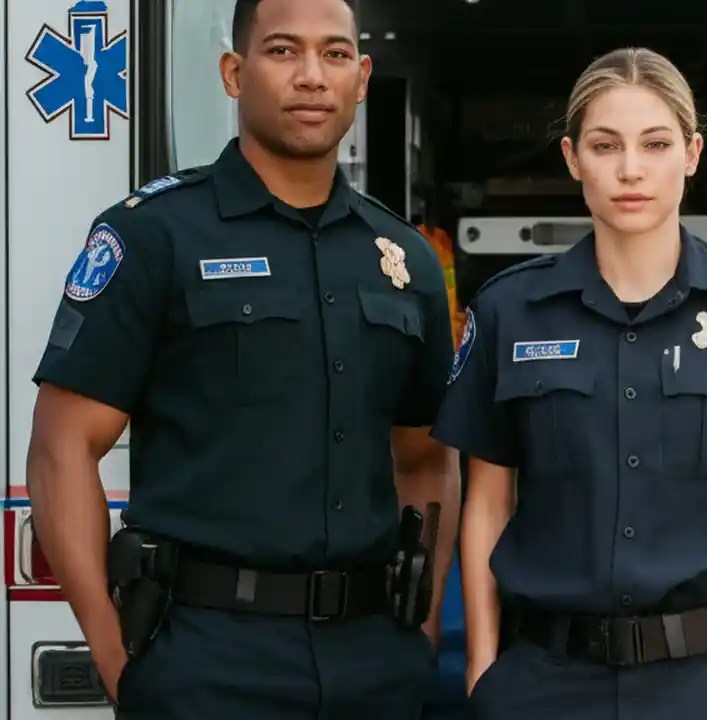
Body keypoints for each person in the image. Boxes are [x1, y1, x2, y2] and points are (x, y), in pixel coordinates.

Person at [25, 0, 460, 716]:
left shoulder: (403, 260)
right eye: (284, 51)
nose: (313, 77)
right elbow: (61, 447)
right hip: (206, 659)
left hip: (374, 663)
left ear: (362, 77)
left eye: (336, 54)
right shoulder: (156, 235)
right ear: (234, 72)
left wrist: (417, 626)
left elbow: (424, 458)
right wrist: (118, 662)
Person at [430, 47, 707, 720]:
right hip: (543, 684)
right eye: (605, 144)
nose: (630, 169)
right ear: (571, 159)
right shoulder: (509, 311)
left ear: (692, 153)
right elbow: (487, 503)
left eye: (655, 143)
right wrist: (483, 669)